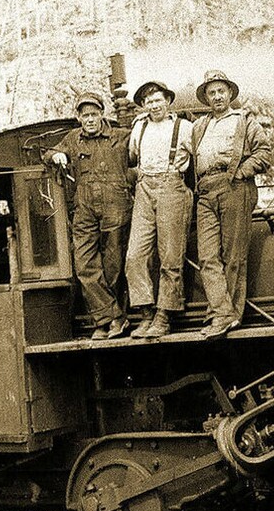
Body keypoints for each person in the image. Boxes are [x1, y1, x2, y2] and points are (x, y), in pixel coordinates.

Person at [191, 69, 274, 336]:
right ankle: (222, 311)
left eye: (220, 91)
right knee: (207, 256)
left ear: (229, 94)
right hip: (205, 192)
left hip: (234, 188)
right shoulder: (198, 126)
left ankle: (229, 316)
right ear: (205, 97)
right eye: (211, 92)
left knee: (234, 255)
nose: (216, 96)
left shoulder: (244, 120)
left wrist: (240, 172)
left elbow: (264, 152)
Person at [46, 91, 132, 339]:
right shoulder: (73, 139)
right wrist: (57, 155)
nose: (90, 119)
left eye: (94, 114)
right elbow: (48, 153)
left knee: (113, 265)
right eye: (85, 116)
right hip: (84, 208)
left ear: (102, 114)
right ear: (78, 117)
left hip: (116, 205)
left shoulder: (121, 136)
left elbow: (139, 155)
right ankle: (113, 317)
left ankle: (106, 322)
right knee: (83, 264)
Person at [124, 80, 193, 338]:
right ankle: (145, 313)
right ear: (143, 105)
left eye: (158, 99)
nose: (154, 105)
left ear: (168, 101)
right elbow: (131, 158)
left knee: (170, 256)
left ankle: (164, 314)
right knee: (134, 256)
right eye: (149, 101)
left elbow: (199, 156)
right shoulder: (139, 128)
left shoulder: (184, 128)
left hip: (172, 187)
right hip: (144, 189)